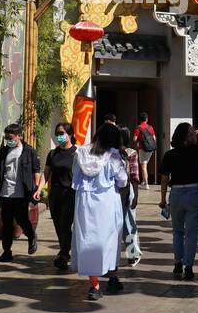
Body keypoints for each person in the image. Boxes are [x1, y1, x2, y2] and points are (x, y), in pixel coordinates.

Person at [71, 121, 128, 300]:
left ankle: (94, 285)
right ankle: (112, 277)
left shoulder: (80, 152)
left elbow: (75, 176)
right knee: (110, 239)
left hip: (85, 201)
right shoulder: (113, 156)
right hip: (107, 200)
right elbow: (123, 180)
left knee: (87, 239)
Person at [0, 123, 42, 262]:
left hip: (22, 194)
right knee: (6, 224)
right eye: (6, 138)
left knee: (22, 220)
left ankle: (31, 236)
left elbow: (36, 170)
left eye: (10, 137)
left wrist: (36, 189)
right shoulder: (5, 151)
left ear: (19, 136)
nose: (8, 140)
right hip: (6, 193)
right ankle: (7, 251)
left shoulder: (29, 151)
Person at [158, 123, 198, 279]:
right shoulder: (197, 151)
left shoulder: (170, 154)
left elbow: (164, 178)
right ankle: (188, 267)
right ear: (190, 136)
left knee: (177, 232)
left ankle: (177, 263)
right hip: (193, 193)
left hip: (175, 194)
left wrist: (163, 199)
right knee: (191, 234)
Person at [43, 122, 77, 271]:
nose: (59, 136)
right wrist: (39, 189)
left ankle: (63, 254)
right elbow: (46, 174)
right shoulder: (53, 154)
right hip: (55, 194)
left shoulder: (77, 153)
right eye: (57, 133)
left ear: (70, 135)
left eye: (62, 133)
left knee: (65, 224)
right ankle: (64, 250)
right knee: (58, 224)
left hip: (70, 193)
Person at [118, 126, 143, 266]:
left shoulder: (125, 153)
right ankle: (131, 254)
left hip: (121, 191)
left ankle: (132, 253)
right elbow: (134, 176)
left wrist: (134, 197)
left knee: (124, 223)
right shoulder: (127, 152)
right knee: (125, 224)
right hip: (122, 190)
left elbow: (134, 176)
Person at [133, 113, 157, 185]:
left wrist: (138, 141)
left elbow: (134, 139)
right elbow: (154, 138)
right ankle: (143, 182)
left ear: (140, 120)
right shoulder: (150, 127)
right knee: (145, 165)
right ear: (147, 119)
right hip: (150, 149)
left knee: (143, 167)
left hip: (142, 149)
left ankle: (146, 184)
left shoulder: (138, 128)